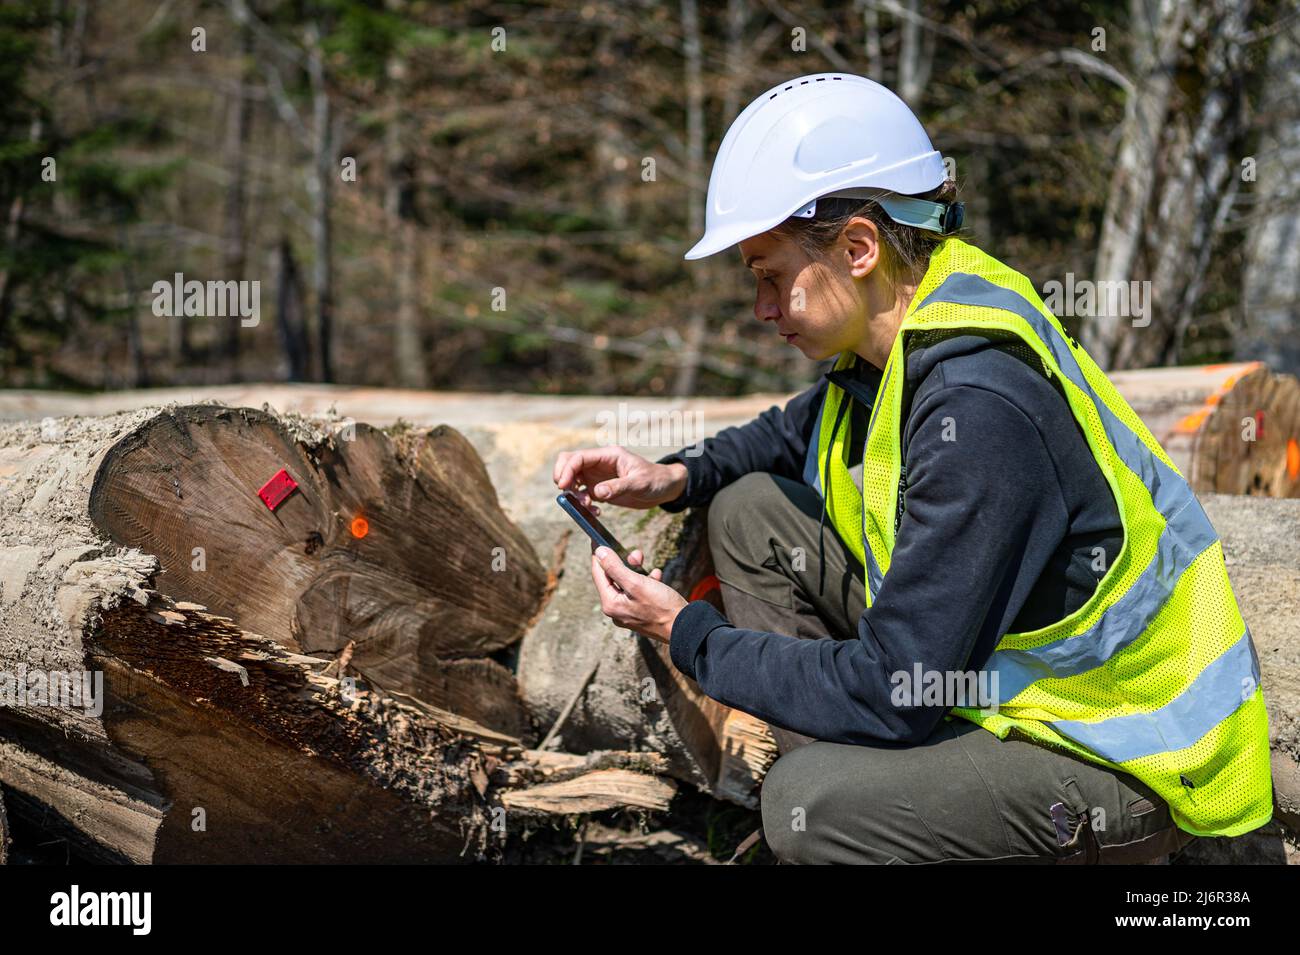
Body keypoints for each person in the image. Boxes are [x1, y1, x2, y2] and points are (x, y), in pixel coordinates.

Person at [552, 72, 1273, 864]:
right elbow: (796, 430)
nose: (761, 307)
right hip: (984, 684)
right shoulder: (903, 334)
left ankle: (847, 814)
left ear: (859, 247)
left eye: (770, 275)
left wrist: (685, 630)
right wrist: (675, 476)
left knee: (805, 805)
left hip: (1119, 759)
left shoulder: (981, 410)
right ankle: (869, 804)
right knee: (747, 509)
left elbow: (895, 689)